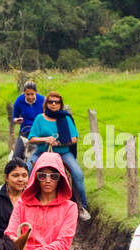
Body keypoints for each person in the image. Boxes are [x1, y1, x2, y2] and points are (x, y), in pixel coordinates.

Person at [25, 90, 91, 220]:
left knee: (77, 174)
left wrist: (59, 143)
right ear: (46, 103)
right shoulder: (40, 118)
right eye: (51, 101)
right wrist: (45, 139)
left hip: (63, 153)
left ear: (60, 104)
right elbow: (31, 138)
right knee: (27, 170)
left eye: (57, 102)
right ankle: (24, 201)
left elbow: (74, 138)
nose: (54, 104)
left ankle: (82, 206)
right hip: (42, 153)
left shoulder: (65, 118)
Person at [10, 80, 45, 162]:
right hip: (24, 133)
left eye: (32, 94)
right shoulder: (19, 101)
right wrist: (16, 120)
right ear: (24, 93)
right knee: (16, 157)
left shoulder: (43, 100)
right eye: (27, 94)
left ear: (36, 92)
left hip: (39, 133)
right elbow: (14, 117)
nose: (30, 97)